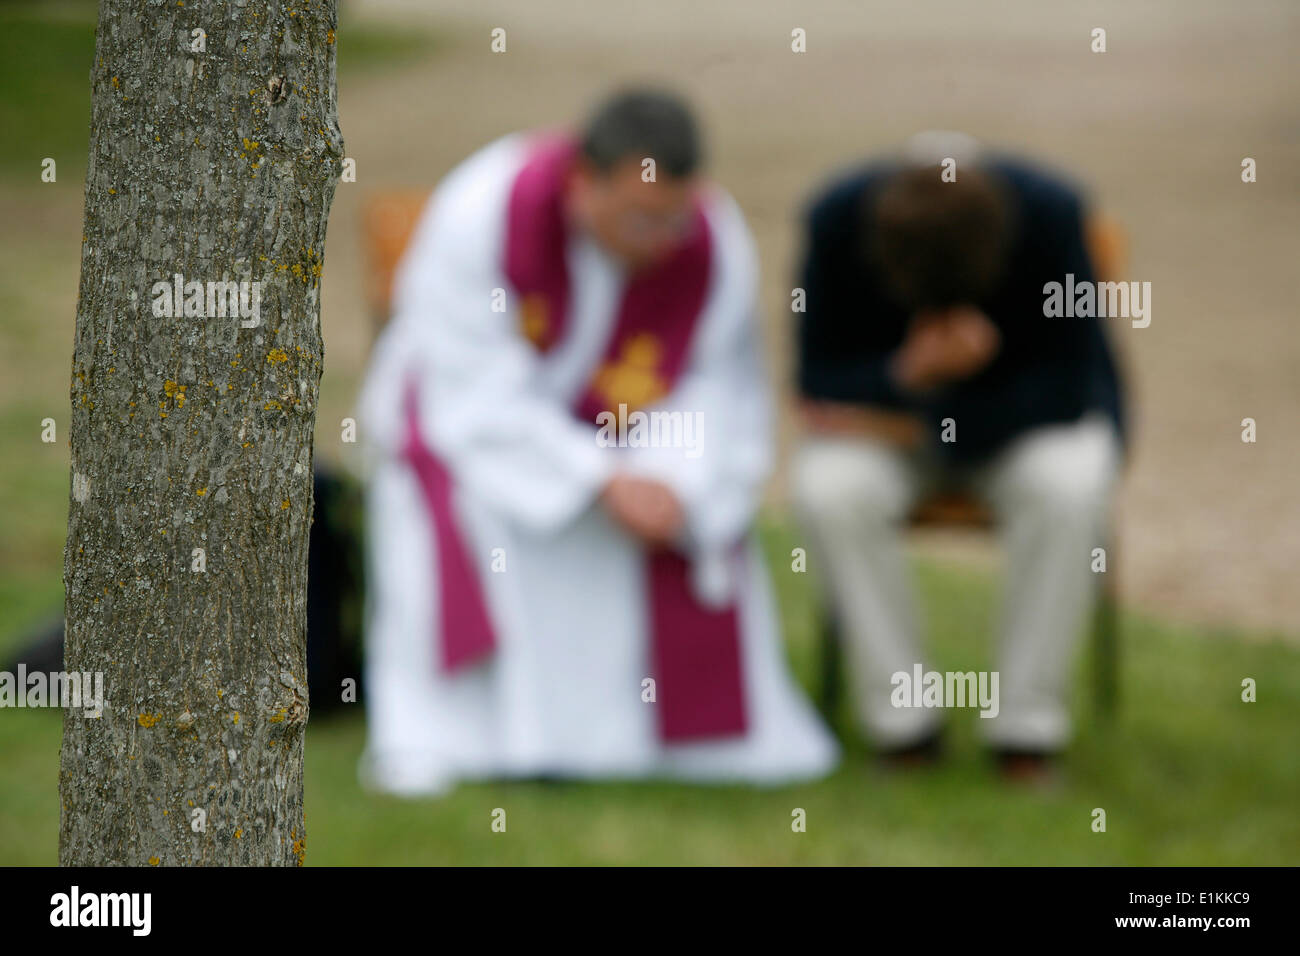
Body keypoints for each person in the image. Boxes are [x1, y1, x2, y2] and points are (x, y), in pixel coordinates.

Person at [357, 89, 838, 794]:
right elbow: (467, 384)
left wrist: (671, 477)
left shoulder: (711, 239)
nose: (661, 239)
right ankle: (469, 740)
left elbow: (720, 384)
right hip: (473, 436)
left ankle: (645, 746)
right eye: (641, 219)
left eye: (673, 217)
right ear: (584, 185)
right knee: (478, 519)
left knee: (686, 534)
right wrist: (595, 477)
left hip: (643, 448)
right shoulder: (482, 210)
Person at [790, 134, 1126, 779]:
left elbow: (1074, 386)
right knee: (830, 486)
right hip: (904, 428)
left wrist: (928, 420)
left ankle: (1026, 734)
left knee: (1073, 481)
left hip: (1012, 435)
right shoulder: (835, 217)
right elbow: (815, 380)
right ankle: (904, 727)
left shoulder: (1053, 214)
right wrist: (904, 374)